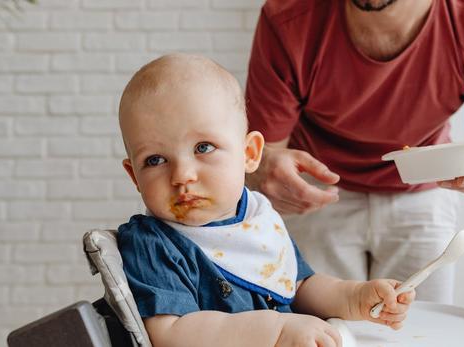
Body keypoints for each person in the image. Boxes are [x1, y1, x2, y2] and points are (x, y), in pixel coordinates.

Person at [116, 53, 416, 347]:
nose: (182, 175)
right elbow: (171, 334)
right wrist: (275, 331)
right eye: (155, 160)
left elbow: (299, 286)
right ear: (134, 177)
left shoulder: (257, 219)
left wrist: (355, 298)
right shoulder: (154, 243)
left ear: (249, 154)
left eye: (203, 147)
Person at [245, 0, 464, 304]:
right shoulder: (288, 16)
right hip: (318, 188)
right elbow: (263, 153)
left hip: (423, 189)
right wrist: (262, 171)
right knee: (320, 326)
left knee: (421, 327)